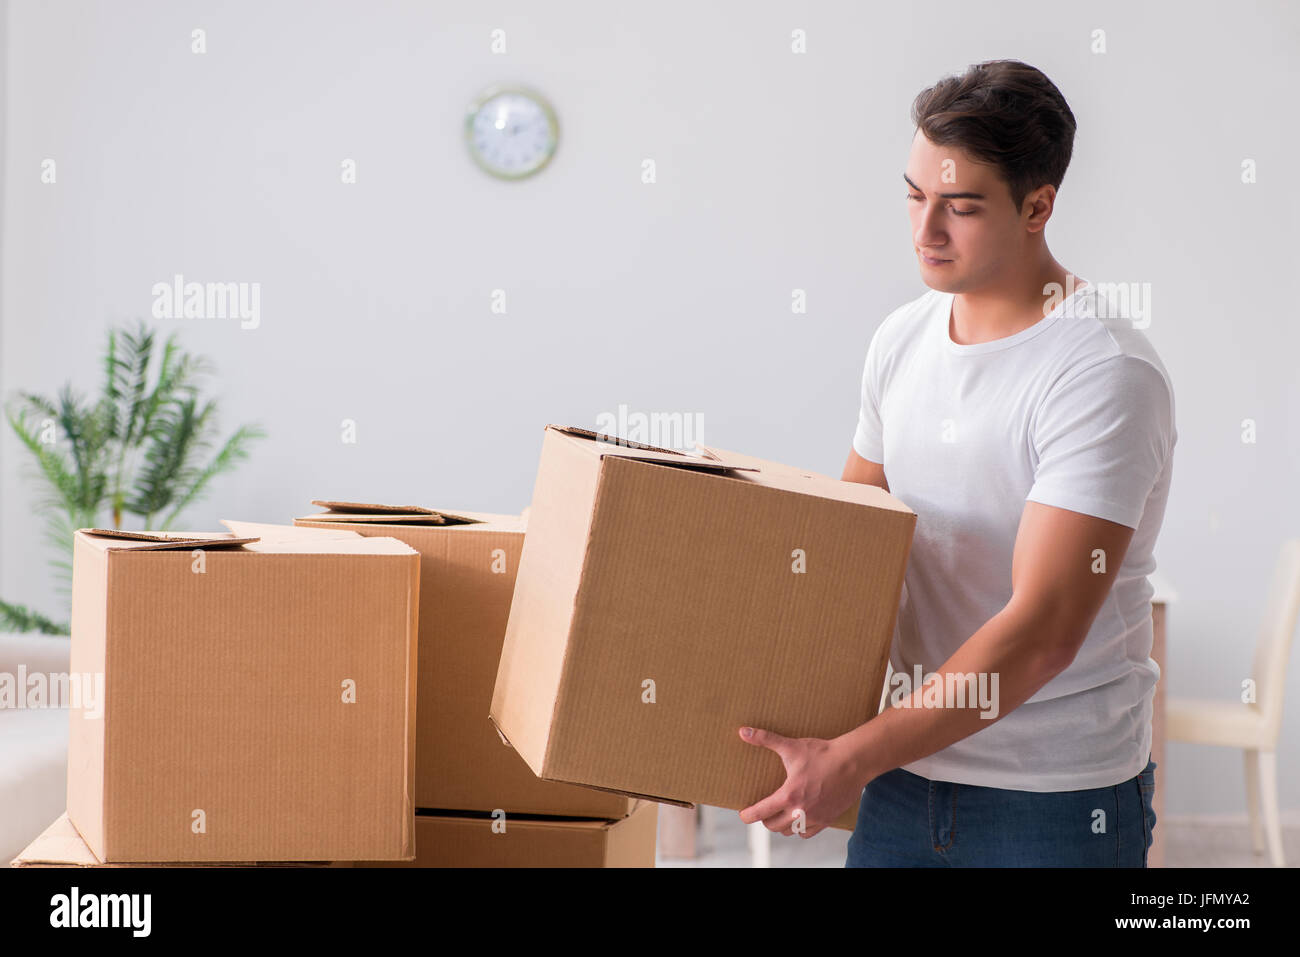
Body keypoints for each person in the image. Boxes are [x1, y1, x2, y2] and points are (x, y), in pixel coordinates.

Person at [737, 59, 1173, 867]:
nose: (925, 230)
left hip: (1053, 799)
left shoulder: (1101, 371)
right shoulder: (902, 337)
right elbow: (850, 543)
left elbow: (1042, 629)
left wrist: (853, 756)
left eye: (961, 207)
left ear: (1038, 206)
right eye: (914, 195)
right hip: (905, 775)